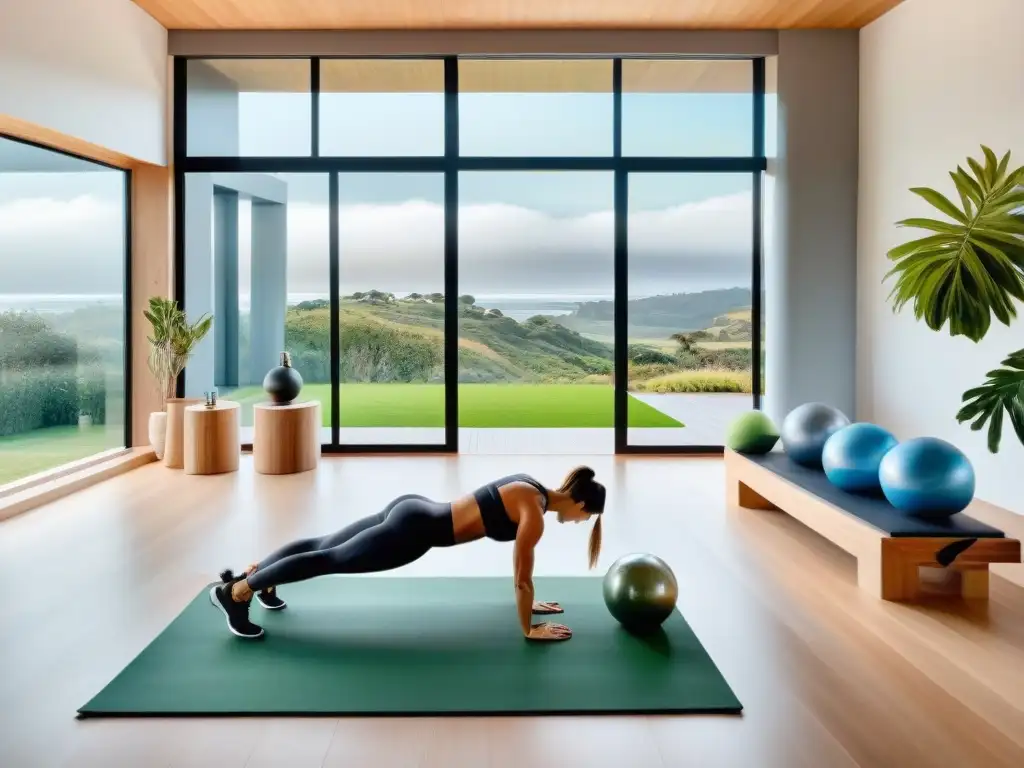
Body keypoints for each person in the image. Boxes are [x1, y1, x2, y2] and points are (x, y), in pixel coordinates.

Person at [210, 466, 606, 642]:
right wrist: (528, 629)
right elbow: (521, 578)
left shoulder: (529, 484)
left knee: (322, 544)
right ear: (582, 505)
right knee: (331, 559)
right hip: (413, 532)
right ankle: (237, 593)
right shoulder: (533, 515)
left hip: (413, 507)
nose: (575, 523)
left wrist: (534, 603)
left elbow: (522, 580)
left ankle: (262, 576)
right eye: (583, 519)